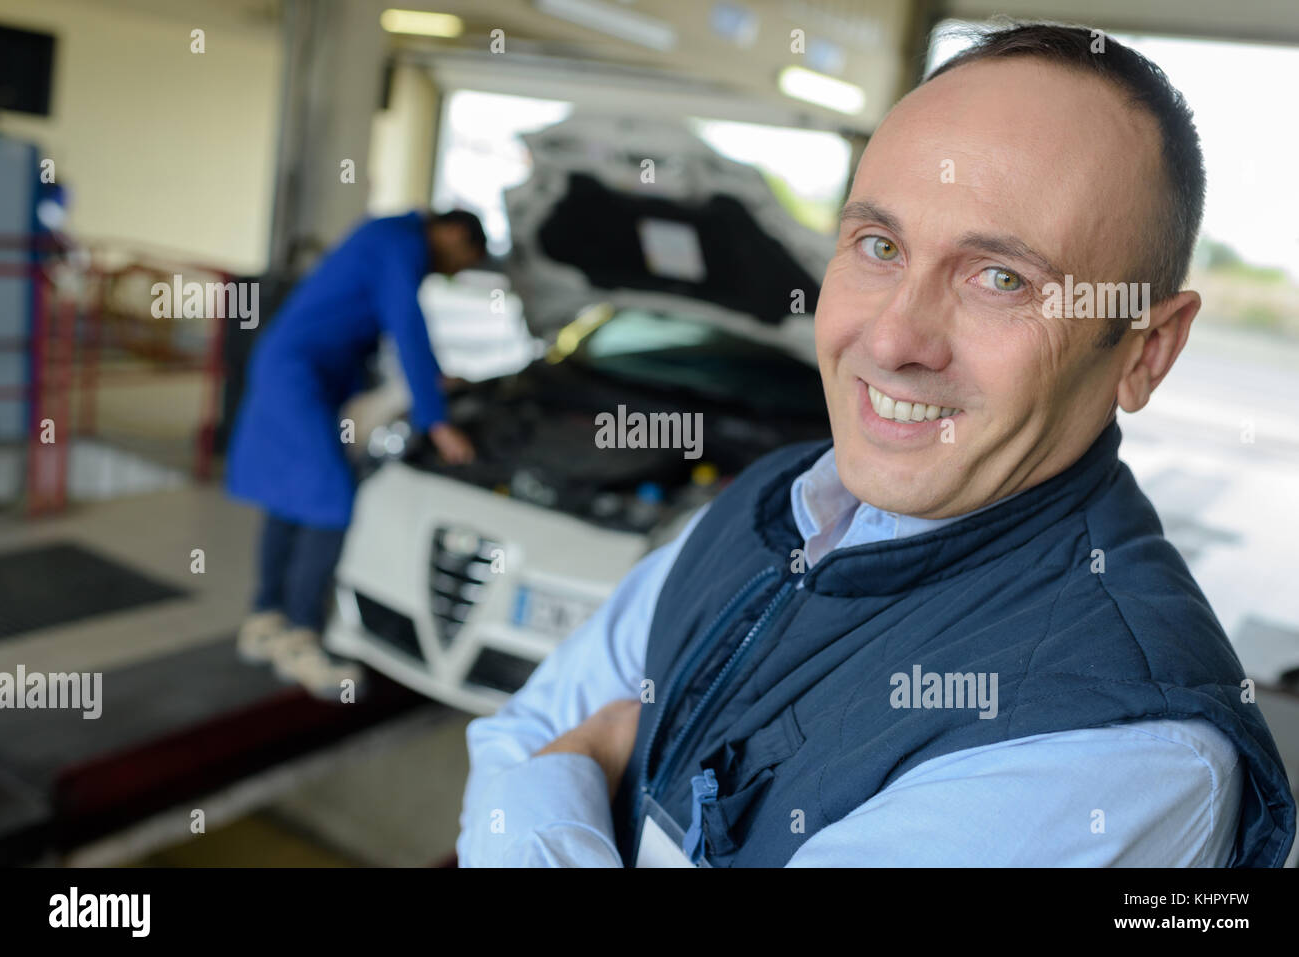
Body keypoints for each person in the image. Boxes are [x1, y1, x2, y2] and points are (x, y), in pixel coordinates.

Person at [456, 24, 1296, 866]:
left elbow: (527, 764)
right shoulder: (774, 500)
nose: (894, 339)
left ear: (1146, 351)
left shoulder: (1115, 748)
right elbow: (515, 728)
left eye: (1001, 278)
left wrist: (566, 774)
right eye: (879, 247)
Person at [228, 209, 486, 697]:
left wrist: (431, 378)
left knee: (288, 497)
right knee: (330, 502)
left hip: (293, 368)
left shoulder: (385, 235)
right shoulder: (400, 243)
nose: (451, 272)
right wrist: (438, 422)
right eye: (460, 261)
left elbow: (382, 326)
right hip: (299, 377)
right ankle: (301, 637)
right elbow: (406, 322)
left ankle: (265, 619)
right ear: (452, 232)